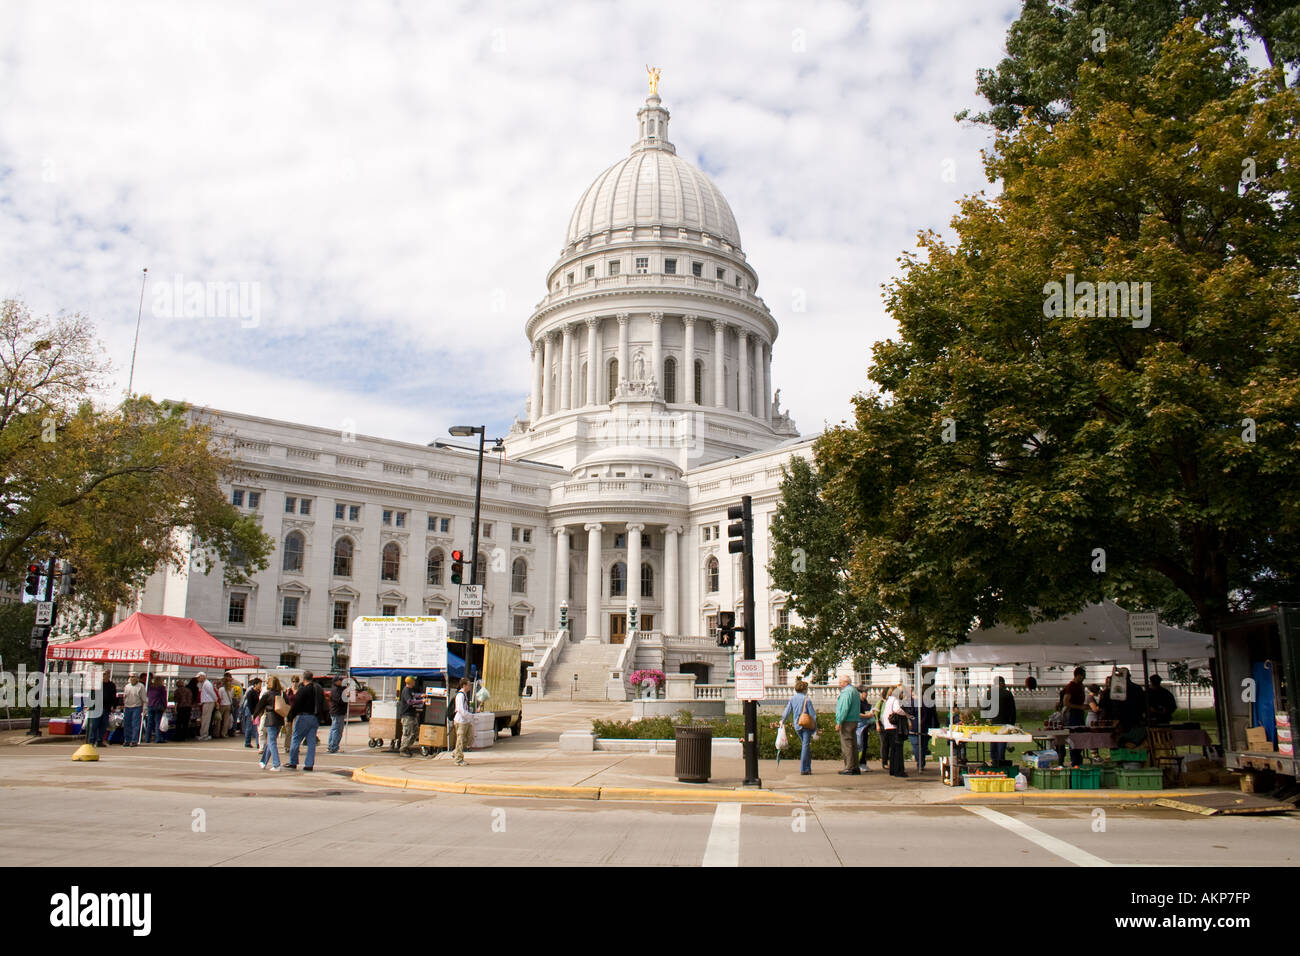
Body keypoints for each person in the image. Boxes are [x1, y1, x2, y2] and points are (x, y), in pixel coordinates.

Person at [773, 680, 817, 775]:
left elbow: (787, 711)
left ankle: (808, 767)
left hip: (797, 725)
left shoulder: (793, 699)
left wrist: (782, 721)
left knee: (806, 745)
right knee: (805, 746)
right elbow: (813, 715)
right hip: (806, 725)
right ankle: (804, 768)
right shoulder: (807, 700)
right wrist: (815, 729)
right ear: (804, 689)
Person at [286, 670, 321, 771]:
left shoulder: (304, 690)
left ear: (304, 678)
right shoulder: (317, 689)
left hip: (304, 716)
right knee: (311, 742)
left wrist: (290, 717)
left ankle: (293, 761)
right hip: (314, 717)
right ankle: (309, 764)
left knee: (296, 739)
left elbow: (296, 704)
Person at [904, 683, 939, 771]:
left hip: (915, 727)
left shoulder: (913, 703)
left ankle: (920, 762)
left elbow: (909, 712)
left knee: (916, 746)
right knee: (922, 746)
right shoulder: (927, 702)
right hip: (925, 727)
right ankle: (921, 762)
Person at [255, 676, 285, 771]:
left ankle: (276, 764)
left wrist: (255, 714)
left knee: (272, 742)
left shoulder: (268, 695)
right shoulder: (281, 694)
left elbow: (260, 705)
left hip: (271, 718)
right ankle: (263, 761)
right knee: (271, 741)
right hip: (280, 718)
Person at [987, 677, 1017, 766]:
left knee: (993, 744)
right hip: (1005, 722)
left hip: (993, 722)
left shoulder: (989, 693)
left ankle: (994, 761)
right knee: (1001, 745)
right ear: (1002, 683)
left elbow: (985, 708)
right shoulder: (1007, 693)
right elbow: (1013, 710)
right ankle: (1000, 762)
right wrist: (1012, 723)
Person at [834, 675, 861, 775]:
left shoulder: (846, 692)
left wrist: (839, 721)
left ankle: (849, 767)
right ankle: (855, 766)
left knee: (847, 745)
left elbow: (844, 708)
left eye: (841, 682)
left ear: (846, 682)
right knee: (853, 744)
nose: (839, 684)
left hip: (847, 721)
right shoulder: (854, 691)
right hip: (854, 720)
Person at [880, 685, 908, 777]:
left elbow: (884, 715)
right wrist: (906, 714)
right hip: (894, 727)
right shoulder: (895, 700)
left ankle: (893, 769)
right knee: (898, 750)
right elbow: (897, 710)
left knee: (893, 750)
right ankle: (898, 770)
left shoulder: (889, 700)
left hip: (888, 727)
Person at [398, 677, 423, 757]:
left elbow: (414, 695)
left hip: (412, 715)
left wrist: (421, 695)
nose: (415, 682)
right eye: (413, 680)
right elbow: (410, 701)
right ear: (411, 682)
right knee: (408, 733)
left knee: (415, 733)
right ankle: (403, 749)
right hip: (407, 716)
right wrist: (421, 701)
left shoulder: (411, 690)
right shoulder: (406, 690)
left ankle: (407, 746)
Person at [452, 678, 474, 766]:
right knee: (460, 740)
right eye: (469, 685)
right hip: (461, 720)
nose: (470, 686)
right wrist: (469, 715)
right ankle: (458, 759)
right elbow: (460, 709)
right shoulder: (460, 695)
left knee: (469, 738)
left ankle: (456, 752)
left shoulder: (465, 694)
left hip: (466, 720)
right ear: (464, 685)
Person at [121, 673, 146, 747]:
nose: (132, 678)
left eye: (134, 677)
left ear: (137, 678)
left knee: (135, 724)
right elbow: (124, 696)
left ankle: (134, 740)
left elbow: (144, 698)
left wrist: (144, 708)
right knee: (127, 724)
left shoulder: (141, 686)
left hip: (137, 707)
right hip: (128, 707)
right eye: (131, 677)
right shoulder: (127, 686)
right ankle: (127, 740)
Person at [327, 674, 349, 754]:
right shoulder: (335, 690)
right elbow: (339, 700)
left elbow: (344, 688)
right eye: (340, 680)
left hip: (338, 712)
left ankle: (332, 745)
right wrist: (346, 697)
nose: (341, 681)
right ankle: (333, 746)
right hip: (337, 712)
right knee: (336, 729)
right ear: (336, 681)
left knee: (335, 729)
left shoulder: (339, 688)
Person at [856, 687, 875, 772]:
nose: (866, 694)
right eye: (864, 693)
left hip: (866, 725)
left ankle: (863, 763)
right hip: (860, 726)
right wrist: (867, 716)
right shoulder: (857, 702)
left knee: (865, 745)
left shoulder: (865, 702)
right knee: (860, 745)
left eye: (866, 692)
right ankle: (859, 763)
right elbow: (857, 713)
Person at [195, 672, 217, 740]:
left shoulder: (207, 684)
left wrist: (215, 700)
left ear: (202, 676)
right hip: (207, 702)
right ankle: (204, 734)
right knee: (205, 719)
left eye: (199, 677)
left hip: (208, 703)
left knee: (205, 719)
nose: (198, 679)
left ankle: (204, 734)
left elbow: (212, 693)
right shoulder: (206, 684)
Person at [145, 676, 167, 744]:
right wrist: (165, 706)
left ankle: (147, 738)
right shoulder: (161, 688)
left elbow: (147, 696)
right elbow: (163, 698)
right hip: (158, 706)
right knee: (157, 722)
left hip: (150, 705)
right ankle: (158, 738)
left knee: (149, 723)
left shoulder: (150, 688)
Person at [242, 678, 263, 748]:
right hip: (251, 711)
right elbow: (250, 704)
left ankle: (258, 743)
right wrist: (251, 714)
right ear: (255, 684)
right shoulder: (250, 692)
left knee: (258, 728)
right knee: (249, 727)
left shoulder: (259, 692)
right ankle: (247, 742)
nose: (260, 685)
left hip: (257, 711)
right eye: (259, 684)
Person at [98, 673, 118, 745]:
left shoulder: (111, 685)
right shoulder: (98, 684)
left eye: (105, 675)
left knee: (104, 725)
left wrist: (114, 706)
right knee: (95, 724)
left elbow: (114, 696)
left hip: (106, 707)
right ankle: (92, 740)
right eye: (103, 675)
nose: (104, 676)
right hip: (97, 707)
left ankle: (100, 740)